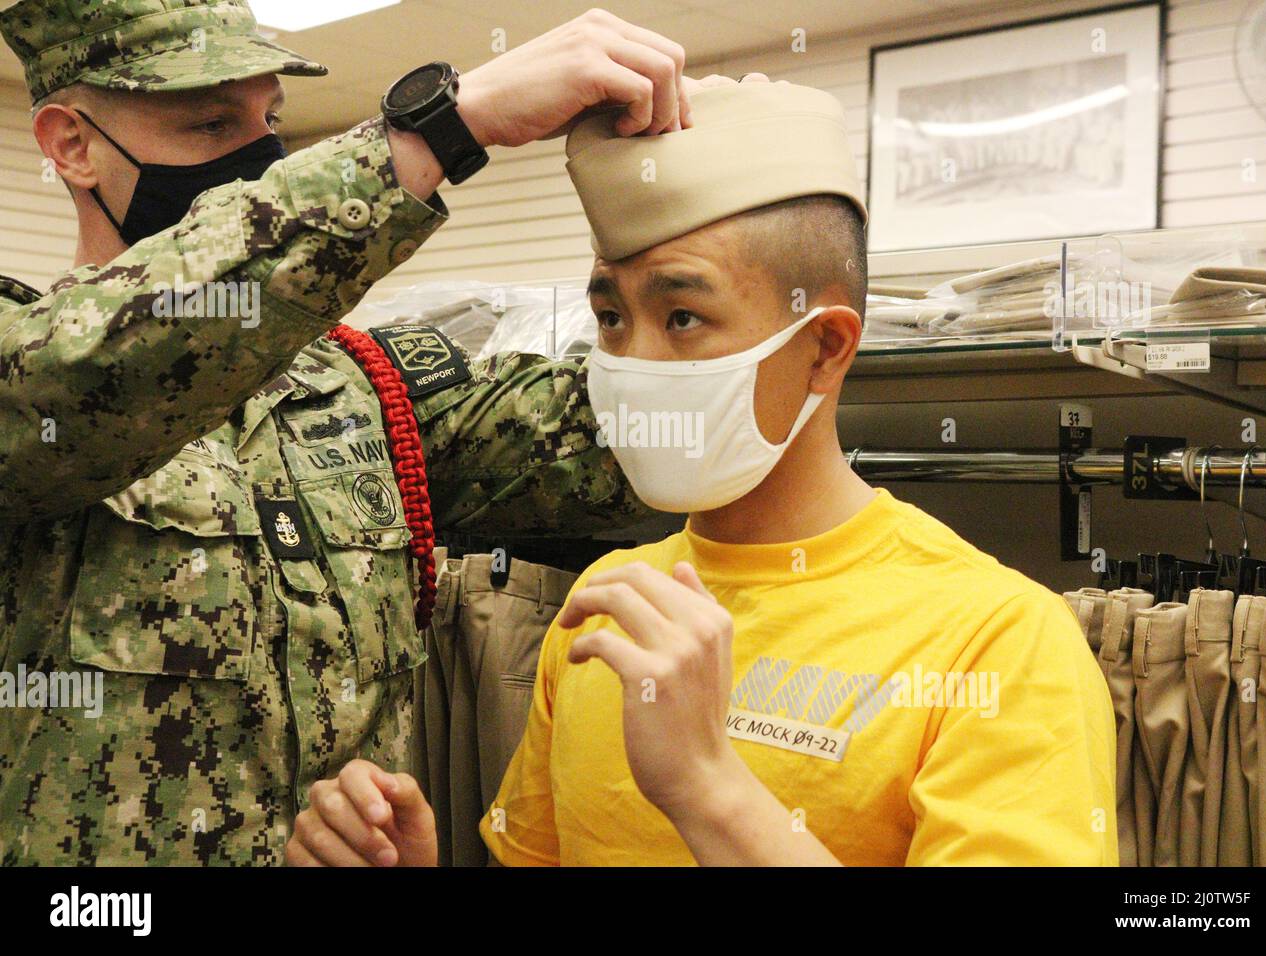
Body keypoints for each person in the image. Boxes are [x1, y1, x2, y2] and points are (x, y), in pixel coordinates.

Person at [293, 80, 1119, 867]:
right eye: (611, 317)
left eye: (683, 315)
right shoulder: (606, 606)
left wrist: (705, 784)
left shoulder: (999, 642)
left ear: (826, 347)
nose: (629, 361)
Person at [0, 0, 705, 865]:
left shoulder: (370, 385)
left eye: (270, 122)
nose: (259, 160)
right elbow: (91, 373)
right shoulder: (28, 373)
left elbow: (641, 437)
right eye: (211, 123)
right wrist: (440, 130)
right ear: (71, 144)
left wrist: (708, 221)